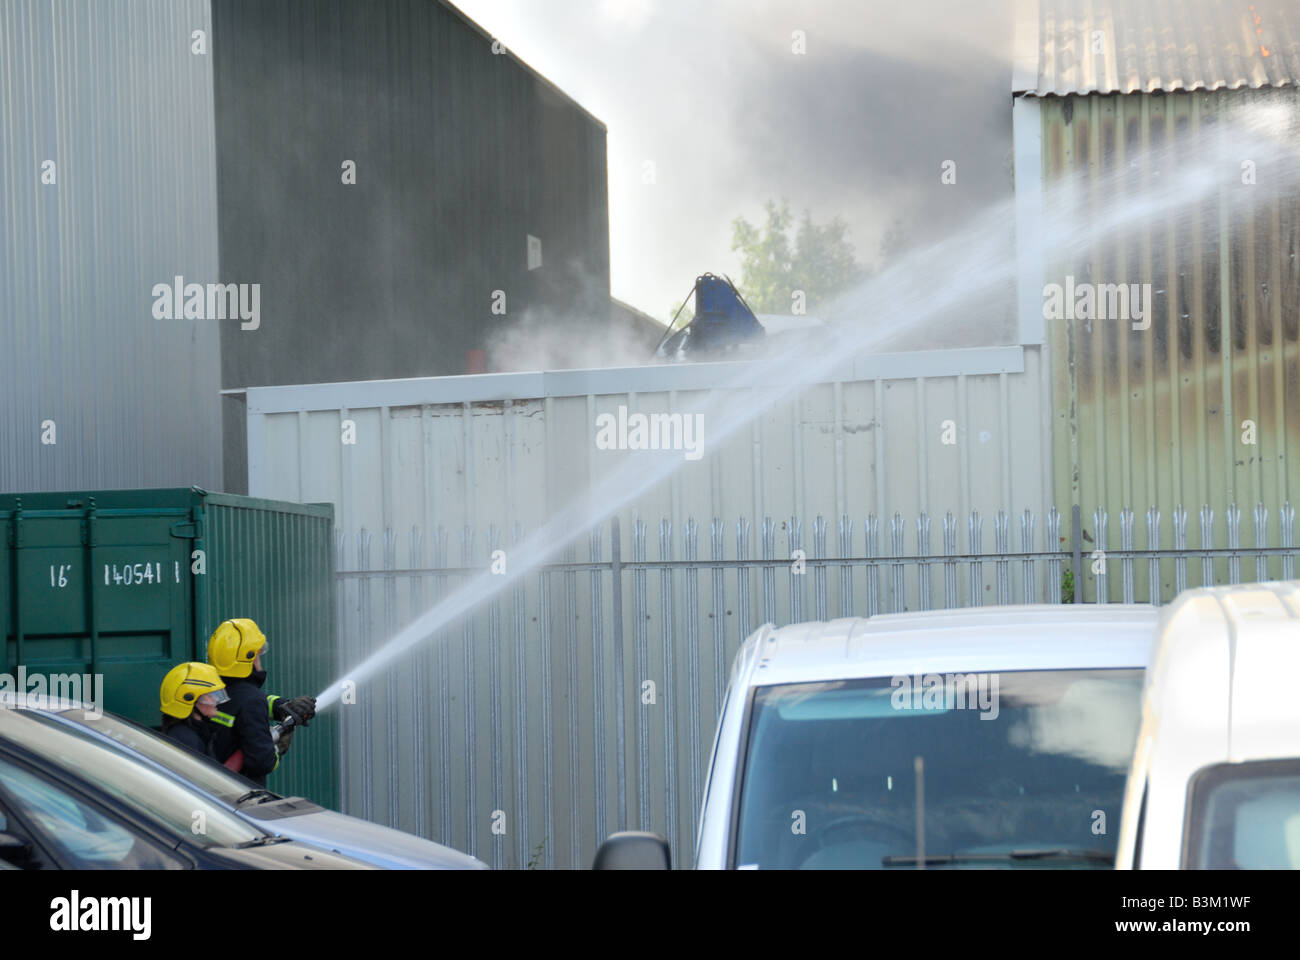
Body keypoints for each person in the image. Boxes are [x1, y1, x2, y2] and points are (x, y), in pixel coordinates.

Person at [205, 618, 317, 786]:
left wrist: (282, 706)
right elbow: (262, 762)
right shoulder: (252, 700)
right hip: (240, 795)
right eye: (259, 652)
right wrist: (277, 747)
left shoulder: (209, 689)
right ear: (249, 657)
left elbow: (239, 704)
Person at [159, 661, 229, 760]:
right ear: (189, 700)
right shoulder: (186, 740)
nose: (216, 700)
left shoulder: (192, 732)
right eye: (211, 695)